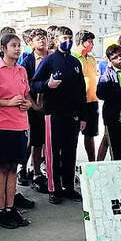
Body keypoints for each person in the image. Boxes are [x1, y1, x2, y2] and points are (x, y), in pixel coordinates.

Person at [30, 26, 86, 204]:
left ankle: (69, 187)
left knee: (70, 151)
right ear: (55, 40)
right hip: (53, 114)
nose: (67, 41)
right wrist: (48, 84)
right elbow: (34, 85)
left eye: (70, 38)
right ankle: (54, 189)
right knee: (53, 152)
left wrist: (83, 116)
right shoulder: (49, 61)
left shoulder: (75, 62)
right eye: (64, 38)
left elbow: (82, 91)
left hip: (73, 115)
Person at [0, 33, 35, 229]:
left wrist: (28, 104)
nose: (17, 49)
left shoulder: (22, 70)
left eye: (18, 45)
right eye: (13, 45)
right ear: (3, 48)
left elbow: (27, 95)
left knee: (14, 167)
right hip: (2, 125)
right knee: (1, 167)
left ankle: (10, 207)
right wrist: (8, 103)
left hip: (20, 124)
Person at [19, 28, 49, 191]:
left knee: (41, 142)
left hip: (48, 106)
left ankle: (38, 172)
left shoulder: (52, 58)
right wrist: (34, 104)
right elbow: (24, 86)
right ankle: (23, 169)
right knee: (30, 141)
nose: (42, 41)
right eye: (38, 39)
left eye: (44, 37)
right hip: (31, 106)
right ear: (30, 43)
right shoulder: (27, 62)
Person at [73, 30, 102, 162]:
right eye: (90, 42)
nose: (92, 45)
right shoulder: (73, 58)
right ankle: (70, 165)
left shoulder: (92, 59)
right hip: (78, 102)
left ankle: (92, 164)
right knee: (72, 136)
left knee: (90, 135)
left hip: (92, 101)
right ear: (81, 42)